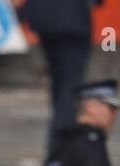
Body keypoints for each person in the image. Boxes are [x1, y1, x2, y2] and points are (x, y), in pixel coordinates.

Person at [19, 0, 103, 140]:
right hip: (73, 19)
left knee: (59, 82)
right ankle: (62, 138)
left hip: (45, 18)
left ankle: (60, 135)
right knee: (70, 85)